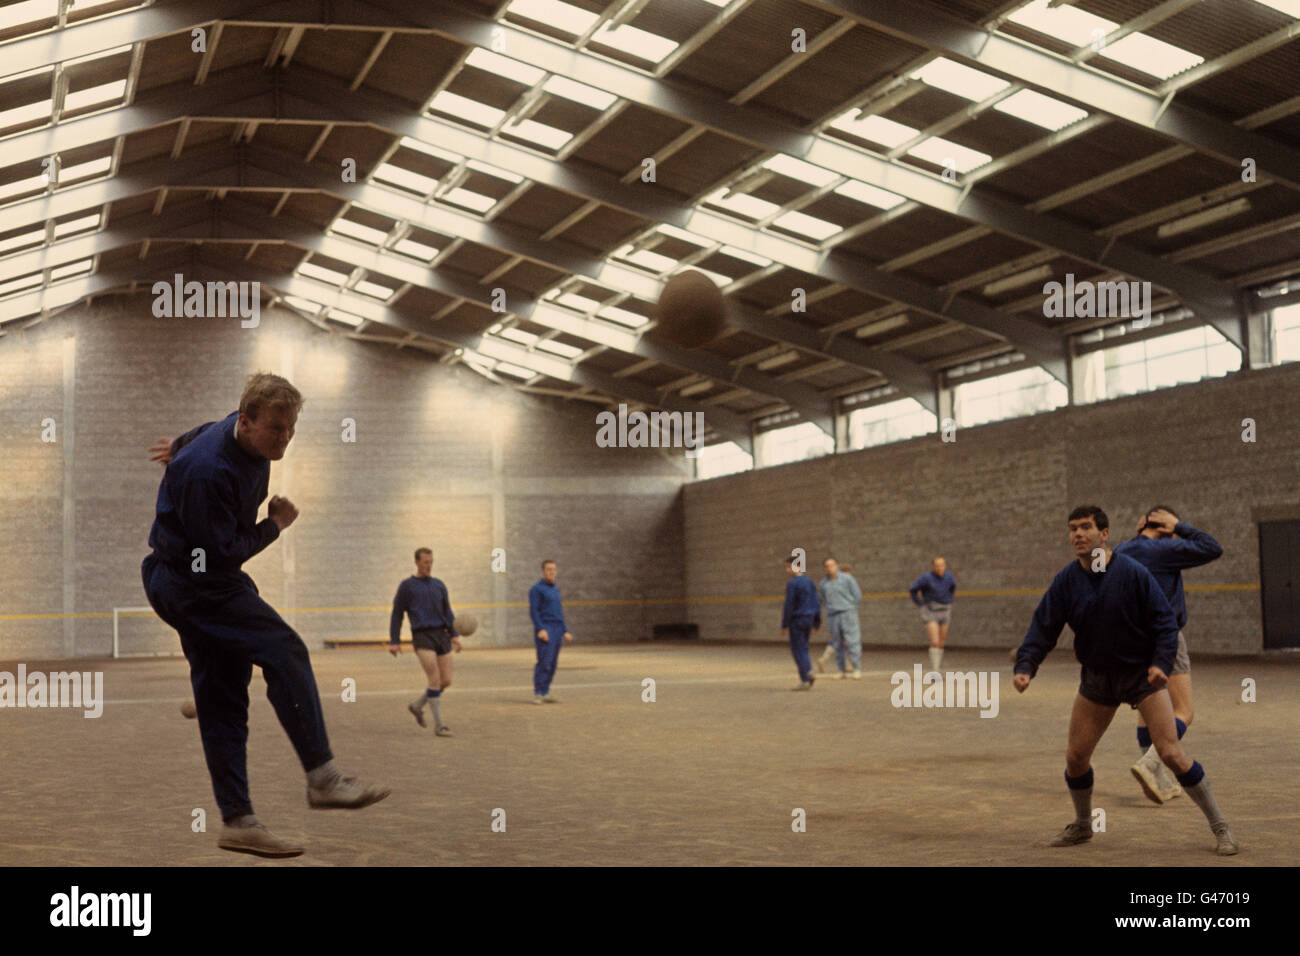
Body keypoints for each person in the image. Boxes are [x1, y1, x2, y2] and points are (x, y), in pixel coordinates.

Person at [142, 372, 389, 859]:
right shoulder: (208, 471)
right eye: (276, 429)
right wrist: (274, 525)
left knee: (223, 697)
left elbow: (197, 432)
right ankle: (323, 778)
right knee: (285, 650)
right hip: (193, 581)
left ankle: (239, 822)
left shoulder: (231, 432)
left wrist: (175, 443)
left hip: (205, 579)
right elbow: (221, 555)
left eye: (291, 427)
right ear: (248, 420)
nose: (285, 438)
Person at [1012, 505, 1237, 855]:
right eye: (1073, 529)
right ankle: (1084, 825)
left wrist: (1162, 662)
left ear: (1104, 534)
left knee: (1171, 753)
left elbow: (1165, 621)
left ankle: (1221, 827)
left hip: (1141, 676)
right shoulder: (1067, 581)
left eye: (1086, 527)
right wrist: (1026, 665)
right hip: (1098, 679)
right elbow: (1044, 626)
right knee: (1075, 757)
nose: (1078, 534)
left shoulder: (1131, 572)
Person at [1114, 506, 1223, 804]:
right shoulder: (1164, 548)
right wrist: (1180, 526)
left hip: (1131, 639)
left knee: (1147, 708)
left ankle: (1157, 776)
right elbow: (1213, 548)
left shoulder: (1122, 551)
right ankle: (1152, 760)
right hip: (1164, 637)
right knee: (1184, 710)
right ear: (1164, 526)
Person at [389, 547, 463, 737]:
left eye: (431, 562)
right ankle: (440, 726)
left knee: (446, 680)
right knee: (435, 679)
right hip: (422, 636)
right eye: (425, 562)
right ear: (417, 562)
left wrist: (454, 635)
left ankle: (417, 705)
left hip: (442, 635)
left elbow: (448, 612)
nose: (429, 566)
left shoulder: (439, 585)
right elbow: (397, 614)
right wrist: (394, 640)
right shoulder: (407, 586)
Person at [529, 559, 572, 704]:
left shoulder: (555, 589)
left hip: (557, 629)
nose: (552, 572)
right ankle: (538, 693)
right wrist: (540, 629)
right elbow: (534, 611)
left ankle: (546, 691)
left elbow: (559, 612)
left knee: (553, 663)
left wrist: (564, 630)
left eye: (554, 569)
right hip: (546, 628)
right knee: (544, 661)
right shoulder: (536, 590)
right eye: (548, 569)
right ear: (543, 572)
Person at [817, 558, 863, 679]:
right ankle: (841, 670)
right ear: (825, 568)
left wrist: (850, 606)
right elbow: (822, 599)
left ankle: (856, 668)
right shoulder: (823, 583)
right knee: (837, 643)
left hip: (848, 613)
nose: (830, 568)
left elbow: (857, 595)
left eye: (832, 565)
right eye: (827, 566)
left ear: (836, 566)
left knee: (853, 641)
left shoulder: (847, 579)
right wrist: (831, 608)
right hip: (833, 615)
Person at [781, 555, 822, 690]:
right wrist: (817, 622)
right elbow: (816, 602)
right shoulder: (809, 582)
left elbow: (789, 604)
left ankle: (806, 675)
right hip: (809, 619)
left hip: (797, 620)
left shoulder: (792, 584)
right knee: (804, 647)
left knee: (797, 649)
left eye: (788, 567)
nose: (787, 570)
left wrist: (785, 624)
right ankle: (807, 673)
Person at [909, 557, 955, 671]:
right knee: (934, 642)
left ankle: (938, 665)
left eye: (942, 565)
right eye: (937, 565)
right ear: (933, 567)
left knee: (941, 642)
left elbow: (953, 588)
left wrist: (949, 599)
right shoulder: (926, 578)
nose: (940, 568)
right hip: (931, 611)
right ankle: (935, 670)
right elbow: (913, 589)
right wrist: (920, 604)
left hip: (945, 610)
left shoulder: (949, 577)